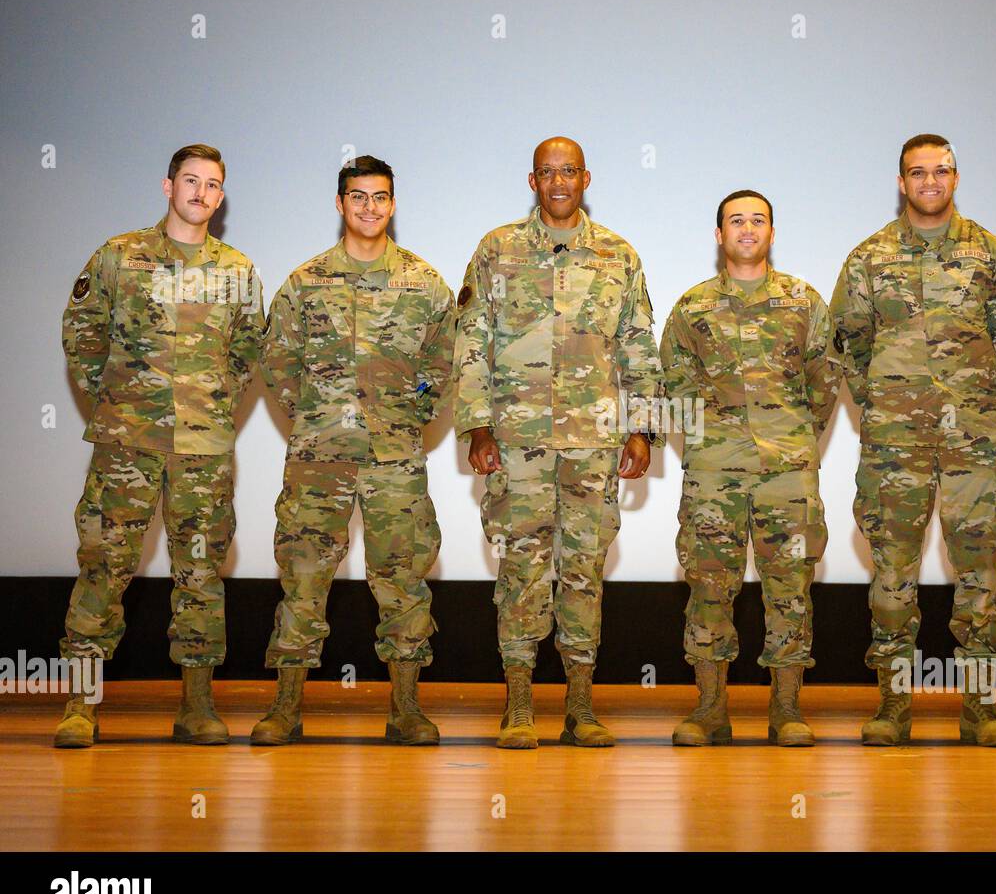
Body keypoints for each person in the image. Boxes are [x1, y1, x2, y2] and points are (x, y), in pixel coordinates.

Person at [455, 136, 664, 749]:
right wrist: (476, 424)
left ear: (586, 178)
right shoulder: (497, 250)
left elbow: (638, 346)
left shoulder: (618, 256)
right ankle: (519, 705)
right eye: (547, 173)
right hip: (515, 444)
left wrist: (642, 427)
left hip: (592, 448)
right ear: (532, 181)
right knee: (519, 569)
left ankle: (579, 706)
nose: (558, 182)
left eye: (568, 171)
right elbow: (471, 340)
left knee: (583, 571)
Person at [57, 143, 264, 747]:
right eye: (191, 181)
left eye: (214, 184)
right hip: (128, 445)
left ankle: (196, 705)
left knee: (200, 571)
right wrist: (117, 400)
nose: (202, 193)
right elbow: (81, 331)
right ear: (168, 186)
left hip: (202, 449)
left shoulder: (238, 271)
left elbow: (252, 350)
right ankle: (81, 704)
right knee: (105, 566)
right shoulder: (120, 257)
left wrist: (215, 399)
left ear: (221, 196)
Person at [831, 134, 996, 746]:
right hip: (895, 446)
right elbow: (847, 344)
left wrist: (974, 404)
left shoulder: (992, 255)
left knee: (981, 575)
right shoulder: (870, 257)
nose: (930, 182)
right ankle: (893, 707)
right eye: (918, 173)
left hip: (976, 443)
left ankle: (980, 709)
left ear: (956, 177)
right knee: (891, 578)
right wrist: (884, 404)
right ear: (901, 182)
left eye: (940, 171)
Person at [253, 156, 457, 745]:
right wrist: (316, 419)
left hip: (395, 459)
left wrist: (405, 418)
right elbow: (278, 364)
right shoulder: (306, 282)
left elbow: (442, 366)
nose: (369, 207)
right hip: (320, 460)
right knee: (304, 577)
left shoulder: (425, 284)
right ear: (340, 204)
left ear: (393, 205)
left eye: (380, 197)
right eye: (358, 197)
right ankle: (285, 709)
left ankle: (406, 710)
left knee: (403, 578)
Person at [660, 190, 840, 746]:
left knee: (789, 587)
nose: (746, 229)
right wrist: (709, 438)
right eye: (736, 221)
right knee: (710, 586)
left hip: (787, 471)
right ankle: (711, 708)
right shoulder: (693, 307)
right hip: (714, 471)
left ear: (771, 232)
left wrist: (794, 438)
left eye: (757, 220)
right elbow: (673, 382)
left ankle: (786, 709)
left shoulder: (803, 301)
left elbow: (824, 379)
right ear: (719, 235)